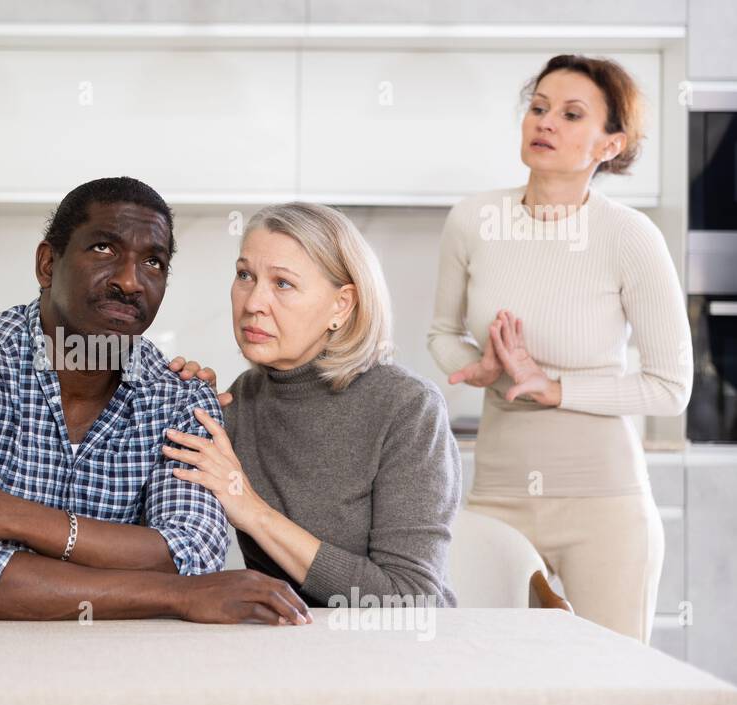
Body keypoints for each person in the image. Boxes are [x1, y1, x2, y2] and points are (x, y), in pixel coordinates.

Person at [0, 176, 312, 625]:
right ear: (47, 265)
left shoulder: (181, 396)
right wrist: (178, 594)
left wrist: (7, 516)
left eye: (153, 262)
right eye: (104, 249)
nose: (131, 282)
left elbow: (189, 552)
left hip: (117, 665)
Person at [427, 55, 691, 642]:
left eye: (572, 114)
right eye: (539, 107)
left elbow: (671, 387)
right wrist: (479, 368)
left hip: (606, 505)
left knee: (612, 694)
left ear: (609, 145)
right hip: (497, 497)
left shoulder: (631, 236)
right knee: (489, 675)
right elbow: (441, 334)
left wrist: (554, 388)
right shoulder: (473, 221)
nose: (545, 122)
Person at [166, 202, 459, 609]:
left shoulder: (407, 408)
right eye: (245, 275)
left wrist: (254, 511)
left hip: (393, 656)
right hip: (288, 644)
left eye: (283, 284)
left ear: (341, 306)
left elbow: (413, 600)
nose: (253, 303)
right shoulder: (241, 399)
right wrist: (171, 405)